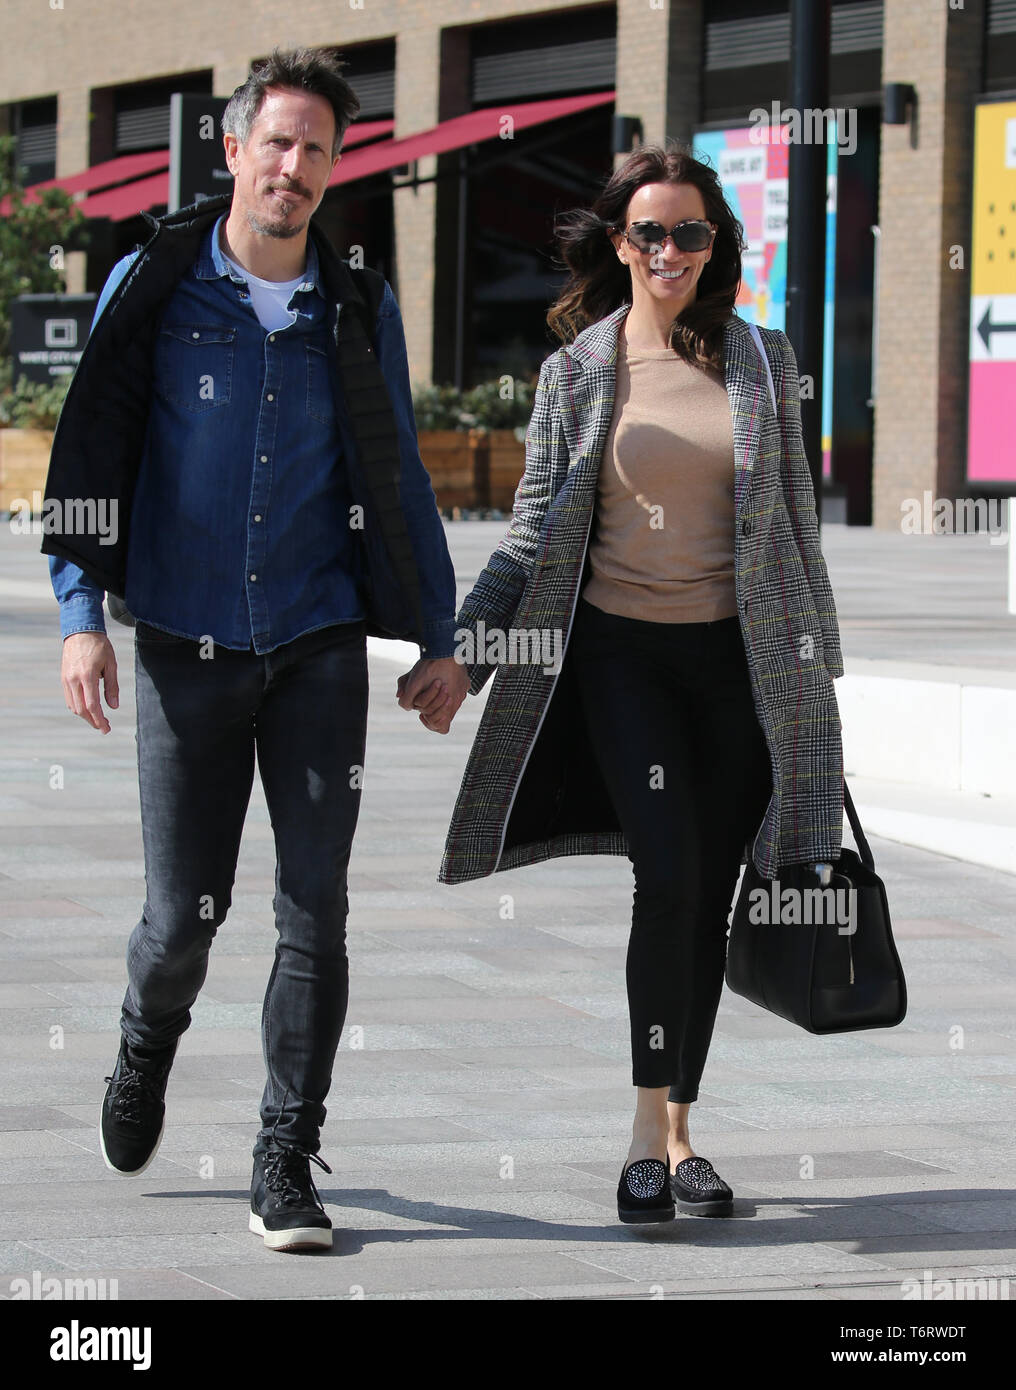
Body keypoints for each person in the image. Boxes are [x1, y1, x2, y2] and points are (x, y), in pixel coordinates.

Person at [43, 46, 465, 1253]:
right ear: (231, 151)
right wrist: (81, 618)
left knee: (313, 909)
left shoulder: (355, 305)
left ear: (336, 170)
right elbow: (92, 456)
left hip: (318, 643)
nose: (293, 165)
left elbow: (394, 475)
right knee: (183, 917)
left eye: (316, 148)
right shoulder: (158, 286)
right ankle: (144, 1038)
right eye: (274, 142)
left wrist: (436, 637)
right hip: (183, 642)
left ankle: (285, 1157)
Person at [429, 141, 845, 1225]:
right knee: (665, 874)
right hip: (621, 659)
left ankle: (684, 1135)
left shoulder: (761, 361)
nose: (668, 250)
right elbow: (528, 534)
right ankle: (640, 1132)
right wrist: (469, 652)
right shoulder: (576, 371)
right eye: (648, 232)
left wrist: (817, 683)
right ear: (618, 243)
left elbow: (796, 527)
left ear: (716, 247)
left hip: (740, 663)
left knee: (706, 890)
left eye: (690, 232)